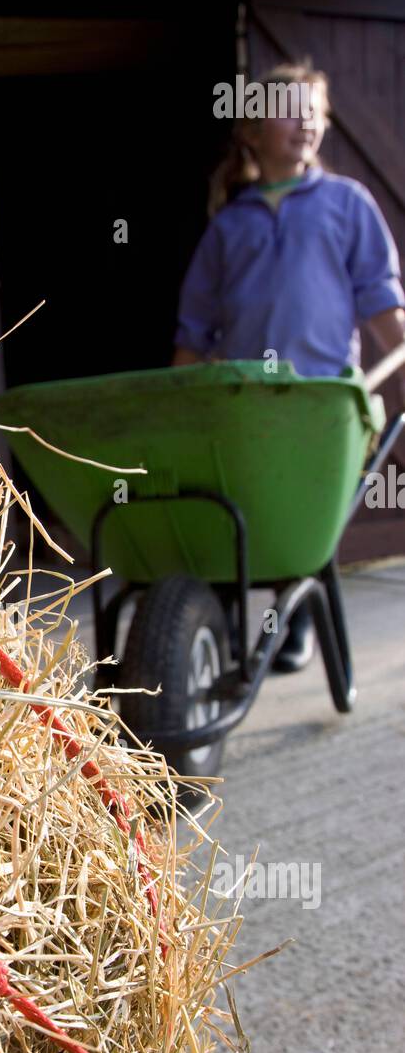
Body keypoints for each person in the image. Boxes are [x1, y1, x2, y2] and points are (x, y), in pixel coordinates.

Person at [173, 63, 405, 671]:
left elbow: (381, 303)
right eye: (288, 108)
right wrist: (176, 396)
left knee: (301, 512)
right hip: (245, 404)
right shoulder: (230, 226)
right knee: (236, 507)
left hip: (321, 402)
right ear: (250, 128)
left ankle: (294, 614)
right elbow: (195, 330)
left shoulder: (345, 205)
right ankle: (218, 616)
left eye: (314, 111)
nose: (305, 121)